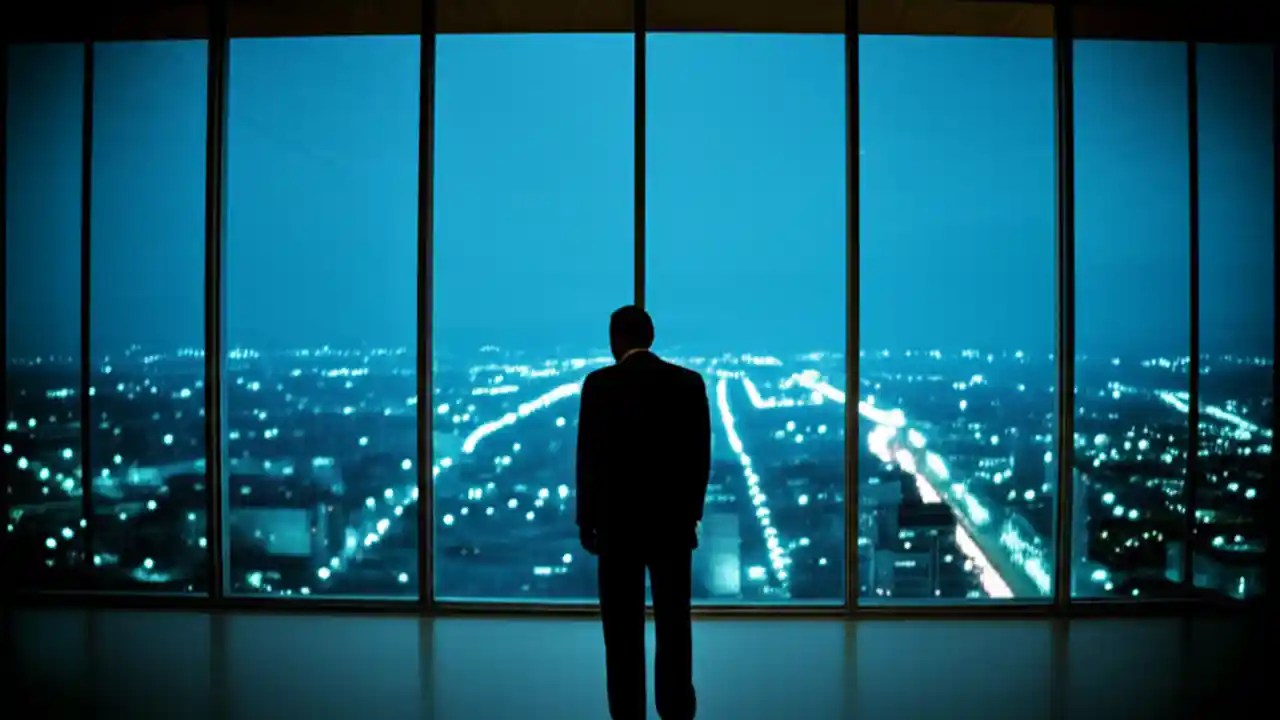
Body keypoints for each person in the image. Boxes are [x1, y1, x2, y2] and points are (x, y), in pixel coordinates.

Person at [576, 305, 711, 720]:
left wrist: (587, 520)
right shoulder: (688, 383)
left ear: (615, 340)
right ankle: (675, 707)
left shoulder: (599, 385)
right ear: (651, 337)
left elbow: (588, 460)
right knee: (674, 624)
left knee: (621, 631)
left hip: (618, 527)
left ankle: (628, 711)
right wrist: (691, 515)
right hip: (671, 525)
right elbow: (699, 457)